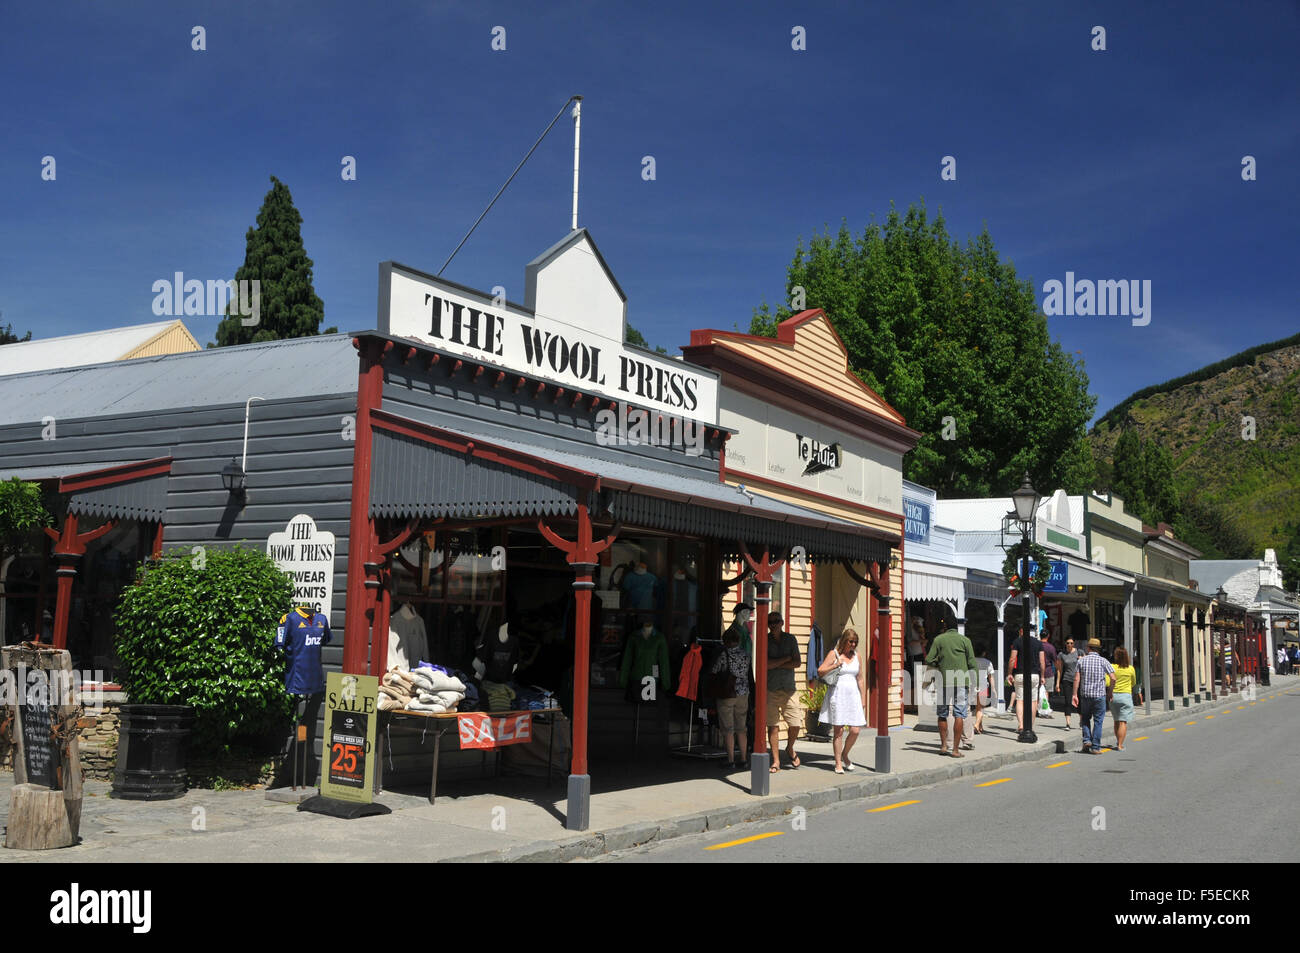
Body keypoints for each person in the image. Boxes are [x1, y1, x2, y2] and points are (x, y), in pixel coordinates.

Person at [925, 610, 978, 758]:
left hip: (943, 680)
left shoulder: (939, 640)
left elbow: (929, 659)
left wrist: (939, 662)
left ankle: (943, 746)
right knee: (959, 714)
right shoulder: (965, 641)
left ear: (945, 626)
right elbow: (972, 663)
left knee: (942, 714)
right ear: (957, 626)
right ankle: (955, 750)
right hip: (961, 681)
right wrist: (976, 682)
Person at [817, 628, 867, 773]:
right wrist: (835, 665)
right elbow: (820, 670)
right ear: (844, 641)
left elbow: (860, 678)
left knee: (855, 730)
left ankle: (845, 754)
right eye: (851, 641)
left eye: (855, 642)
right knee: (838, 731)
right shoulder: (834, 654)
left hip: (853, 696)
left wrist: (863, 698)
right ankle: (838, 762)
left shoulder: (857, 656)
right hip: (838, 694)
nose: (853, 644)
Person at [764, 612, 802, 772]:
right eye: (770, 622)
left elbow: (797, 662)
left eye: (776, 621)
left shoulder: (790, 639)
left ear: (782, 622)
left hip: (789, 688)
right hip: (771, 688)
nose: (773, 624)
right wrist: (785, 659)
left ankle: (789, 747)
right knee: (773, 726)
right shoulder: (764, 639)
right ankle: (776, 761)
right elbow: (765, 664)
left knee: (795, 723)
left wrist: (776, 663)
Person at [709, 627, 750, 769]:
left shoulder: (724, 654)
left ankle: (731, 760)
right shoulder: (745, 654)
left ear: (725, 641)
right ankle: (743, 759)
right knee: (741, 728)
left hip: (727, 693)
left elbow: (714, 671)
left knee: (728, 728)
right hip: (743, 692)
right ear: (738, 640)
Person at [1072, 637, 1115, 754]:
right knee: (1098, 721)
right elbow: (1113, 678)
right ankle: (1095, 747)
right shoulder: (1103, 661)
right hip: (1099, 695)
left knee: (1085, 718)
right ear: (1098, 649)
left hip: (1085, 695)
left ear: (1088, 648)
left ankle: (1087, 740)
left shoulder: (1081, 661)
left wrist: (1074, 694)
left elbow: (1076, 678)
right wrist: (1110, 691)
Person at [1006, 625, 1045, 733]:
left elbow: (1012, 659)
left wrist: (1009, 673)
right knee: (1033, 701)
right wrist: (1042, 676)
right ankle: (1030, 726)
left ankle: (1021, 725)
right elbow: (1042, 661)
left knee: (1020, 700)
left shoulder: (1017, 641)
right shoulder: (1038, 643)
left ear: (1021, 631)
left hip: (1020, 674)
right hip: (1034, 675)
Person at [1110, 646, 1141, 751]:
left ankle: (1117, 740)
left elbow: (1107, 682)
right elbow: (1134, 682)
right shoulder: (1130, 668)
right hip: (1125, 696)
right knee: (1123, 722)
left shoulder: (1112, 667)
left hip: (1114, 696)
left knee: (1116, 720)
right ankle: (1120, 744)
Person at [1057, 637, 1080, 729]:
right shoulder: (1061, 654)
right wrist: (1057, 683)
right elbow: (1059, 669)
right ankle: (1068, 723)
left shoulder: (1079, 652)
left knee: (1080, 701)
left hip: (1078, 680)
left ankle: (1082, 720)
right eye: (1068, 643)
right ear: (1065, 643)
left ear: (1074, 644)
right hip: (1067, 679)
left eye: (1071, 643)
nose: (1069, 645)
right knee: (1067, 701)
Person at [973, 650, 997, 734]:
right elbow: (991, 677)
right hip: (983, 686)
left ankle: (980, 726)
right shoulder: (988, 662)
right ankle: (976, 725)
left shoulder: (972, 661)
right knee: (981, 708)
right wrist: (993, 689)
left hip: (973, 685)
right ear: (983, 653)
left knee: (977, 707)